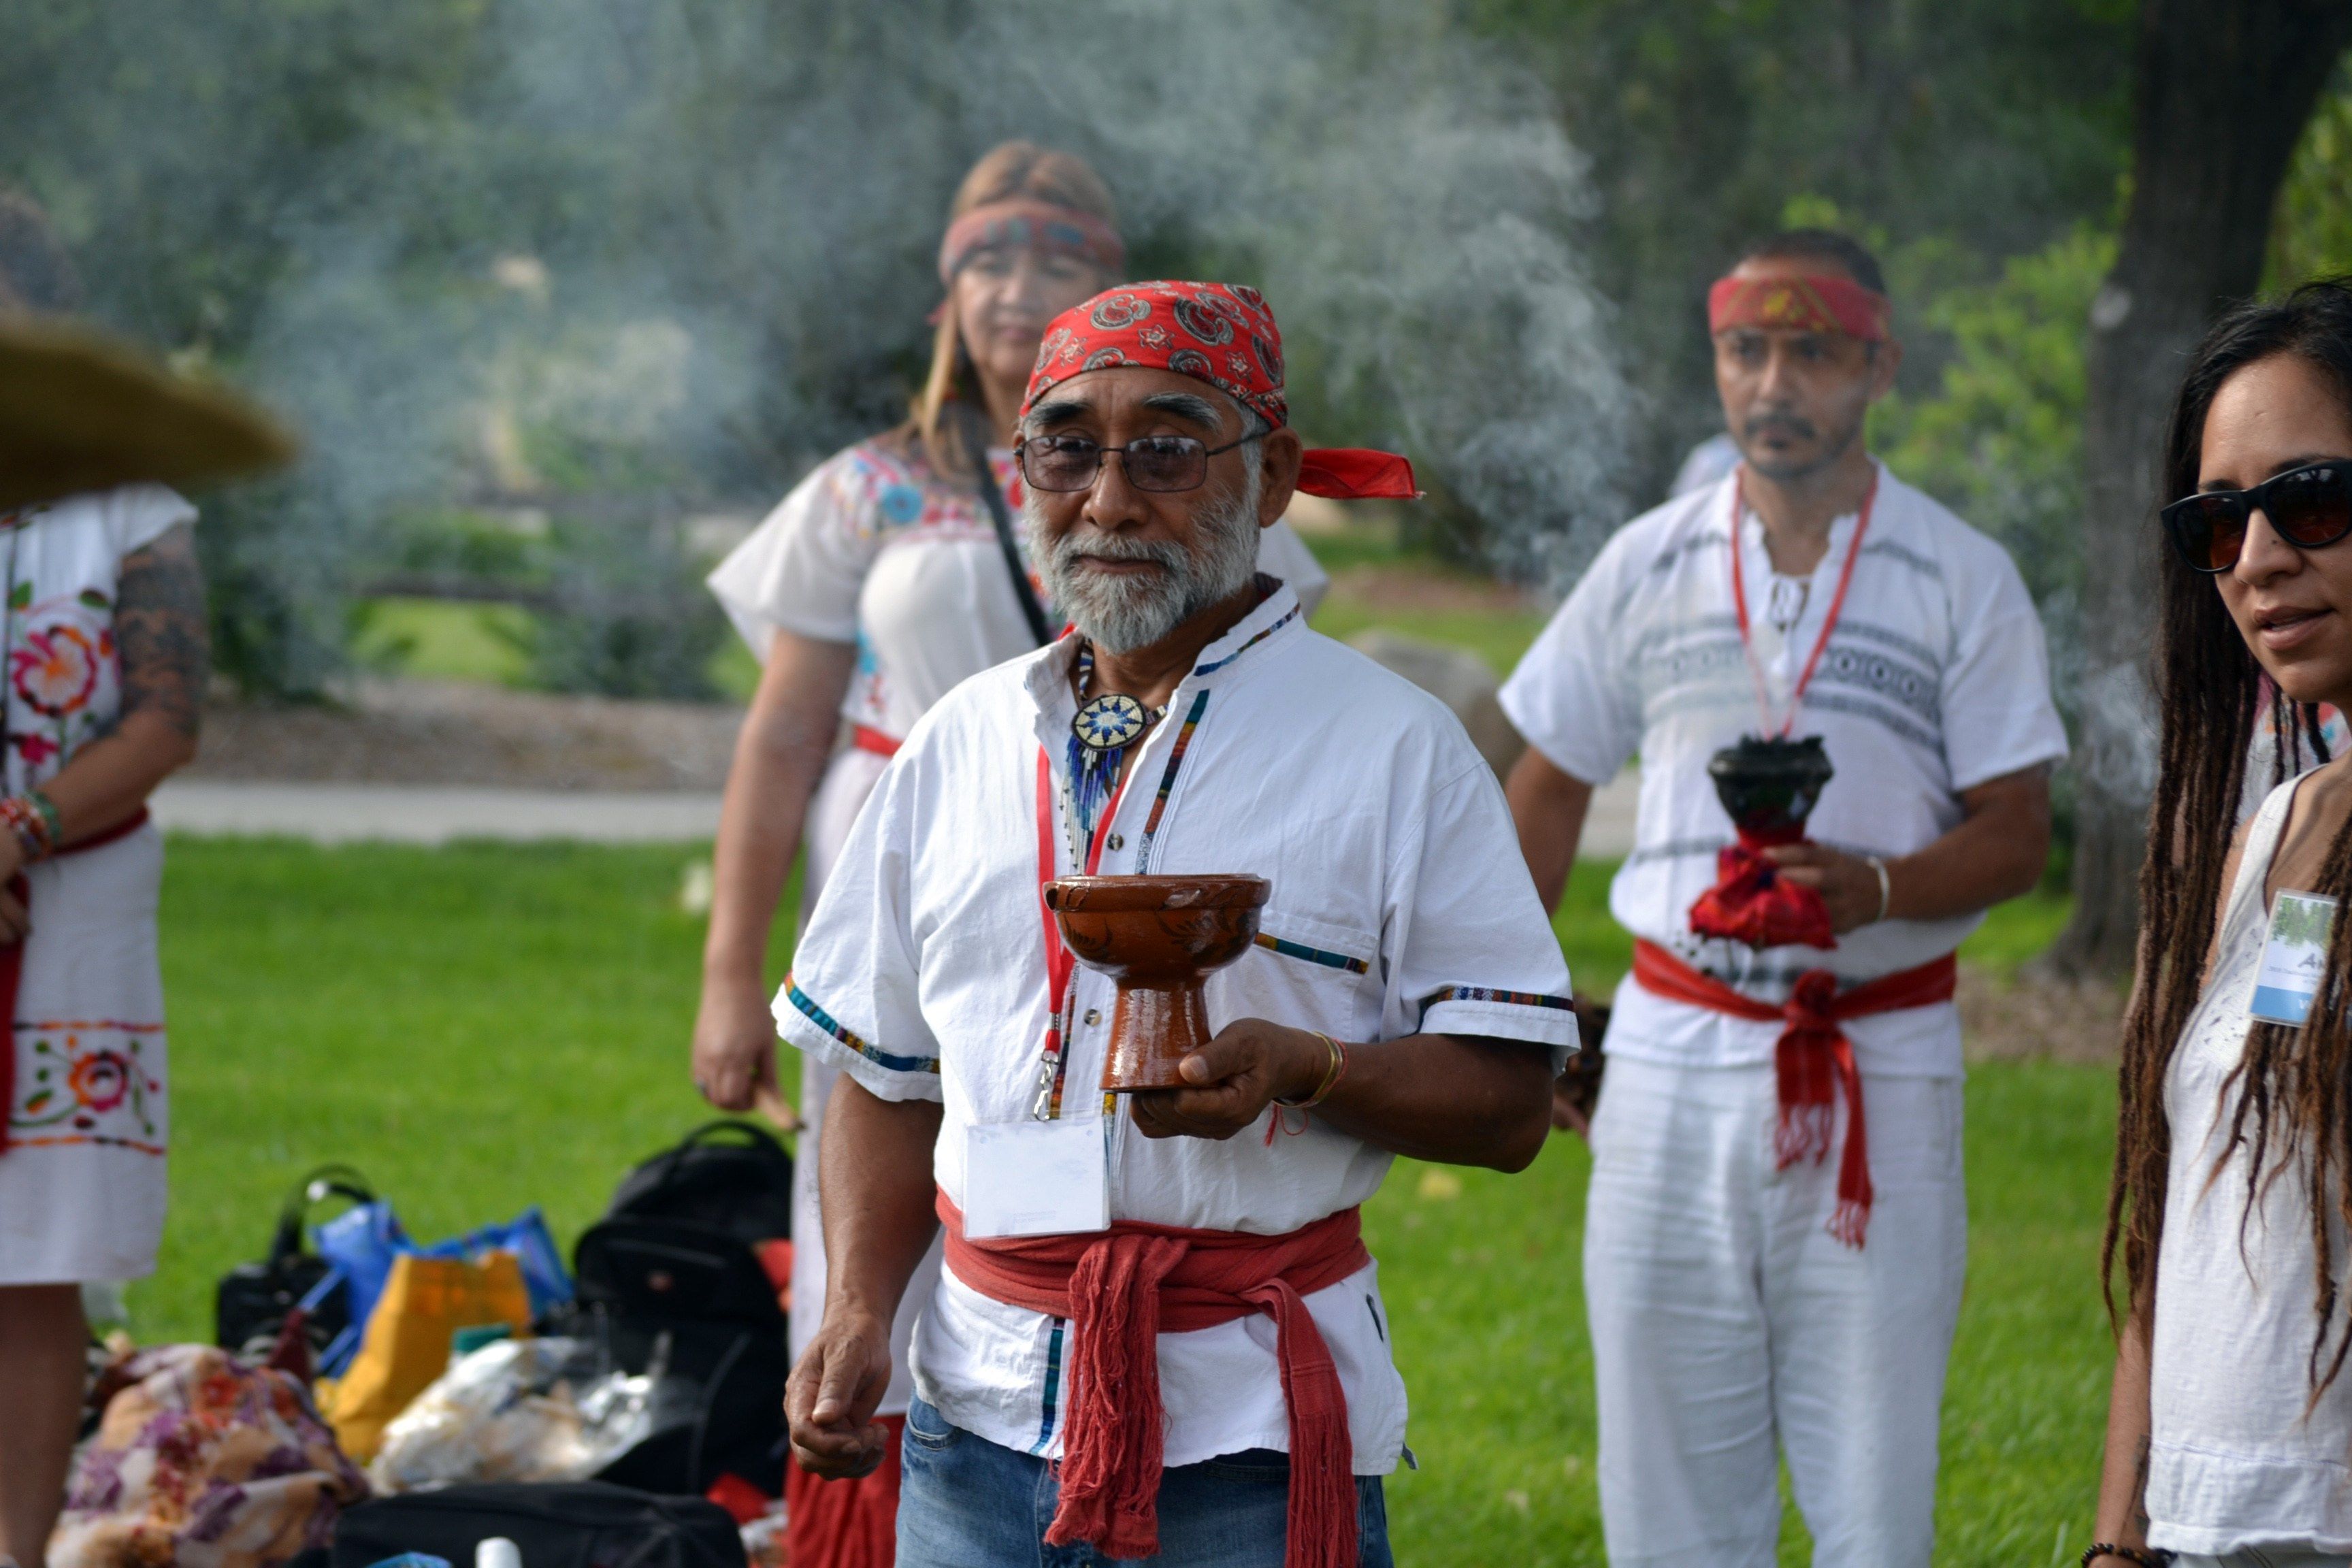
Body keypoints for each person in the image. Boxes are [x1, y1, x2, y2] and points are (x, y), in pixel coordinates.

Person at [775, 280, 1575, 1568]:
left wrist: (1310, 1069)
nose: (1107, 500)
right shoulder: (958, 741)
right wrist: (862, 1305)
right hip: (970, 1431)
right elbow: (888, 1065)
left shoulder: (1396, 752)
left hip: (1247, 1438)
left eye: (1166, 447)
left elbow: (1508, 1105)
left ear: (1272, 479)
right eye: (1067, 447)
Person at [693, 145, 1326, 1564]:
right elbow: (782, 736)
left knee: (1088, 1205)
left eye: (1052, 264)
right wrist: (732, 973)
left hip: (1136, 892)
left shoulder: (1192, 489)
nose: (1012, 290)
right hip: (921, 888)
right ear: (944, 292)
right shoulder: (869, 488)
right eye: (986, 261)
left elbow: (1276, 695)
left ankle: (1118, 1486)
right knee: (868, 1258)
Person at [1499, 229, 2067, 1567]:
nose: (1775, 383)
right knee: (1664, 1488)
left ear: (1879, 365)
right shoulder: (1648, 560)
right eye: (1747, 350)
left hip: (1876, 1051)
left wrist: (1877, 887)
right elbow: (1546, 781)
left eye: (1812, 351)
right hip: (1670, 1055)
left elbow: (2018, 834)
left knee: (1872, 1489)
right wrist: (1519, 1005)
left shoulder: (1959, 575)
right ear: (1716, 364)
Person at [0, 199, 272, 1568]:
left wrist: (17, 832)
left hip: (70, 905)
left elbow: (166, 716)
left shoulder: (130, 501)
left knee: (29, 1256)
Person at [2089, 279, 2352, 1568]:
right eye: (2217, 521)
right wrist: (2117, 1540)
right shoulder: (2279, 827)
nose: (2255, 559)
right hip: (2218, 1530)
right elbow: (2193, 1202)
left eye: (2310, 501)